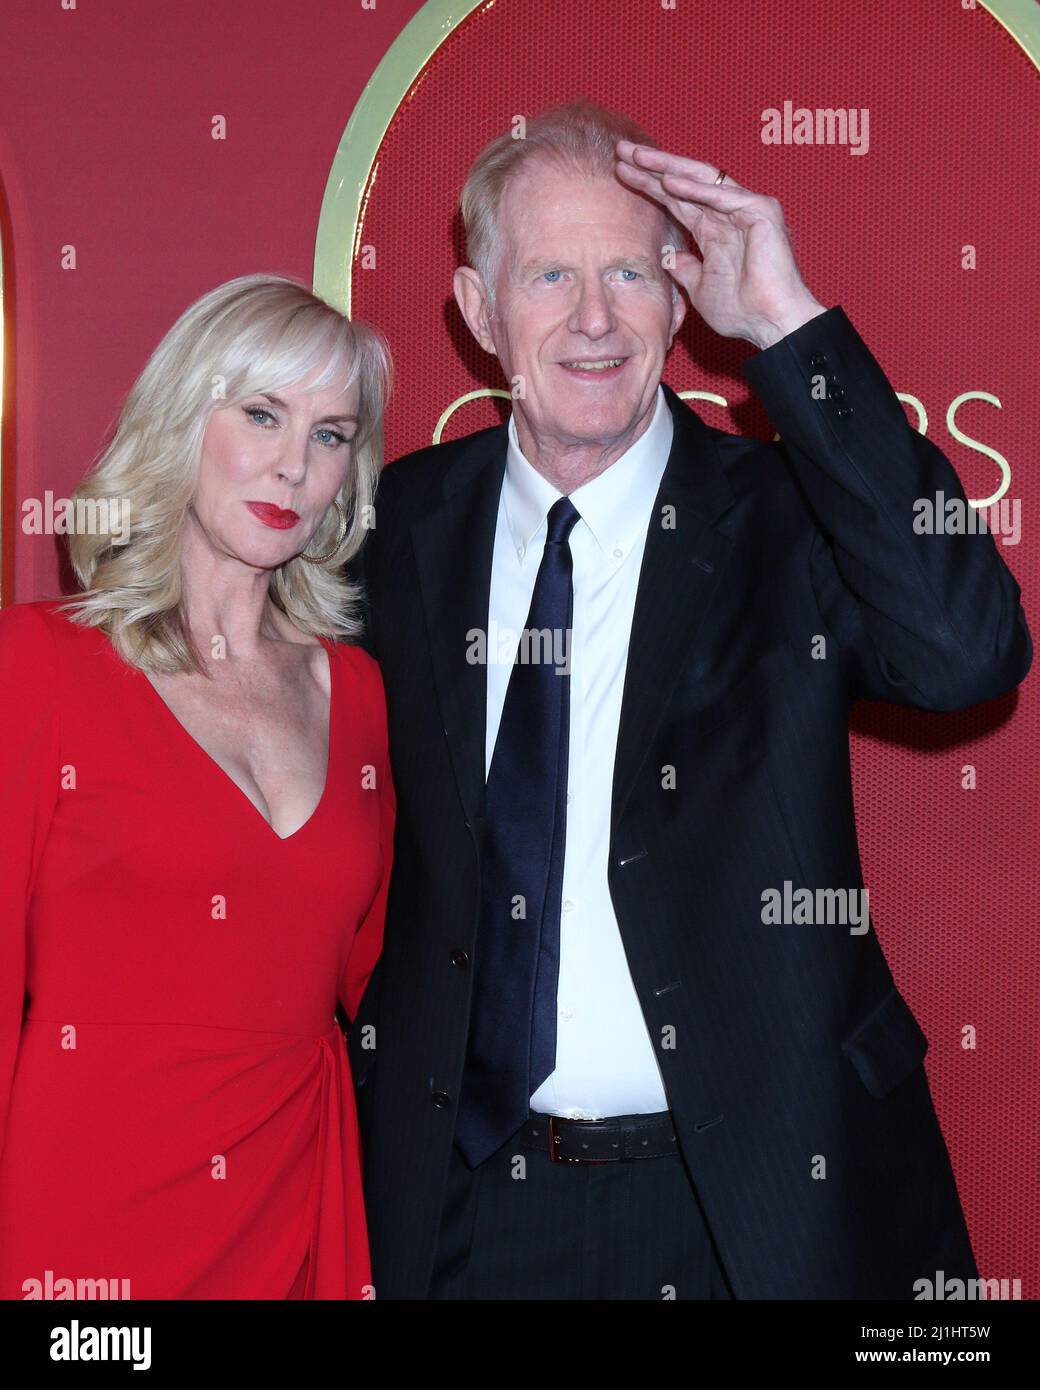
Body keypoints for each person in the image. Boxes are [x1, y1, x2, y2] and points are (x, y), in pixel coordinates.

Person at [349, 101, 1032, 1300]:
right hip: (465, 1206)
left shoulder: (787, 513)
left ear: (678, 300)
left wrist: (784, 320)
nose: (593, 318)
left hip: (753, 1207)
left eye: (628, 271)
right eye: (549, 275)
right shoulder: (394, 527)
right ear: (478, 311)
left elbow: (964, 655)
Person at [0, 273, 395, 1299]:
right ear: (182, 420)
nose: (293, 464)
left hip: (296, 1200)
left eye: (330, 434)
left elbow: (386, 986)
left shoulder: (358, 693)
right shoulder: (37, 667)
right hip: (82, 1221)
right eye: (261, 413)